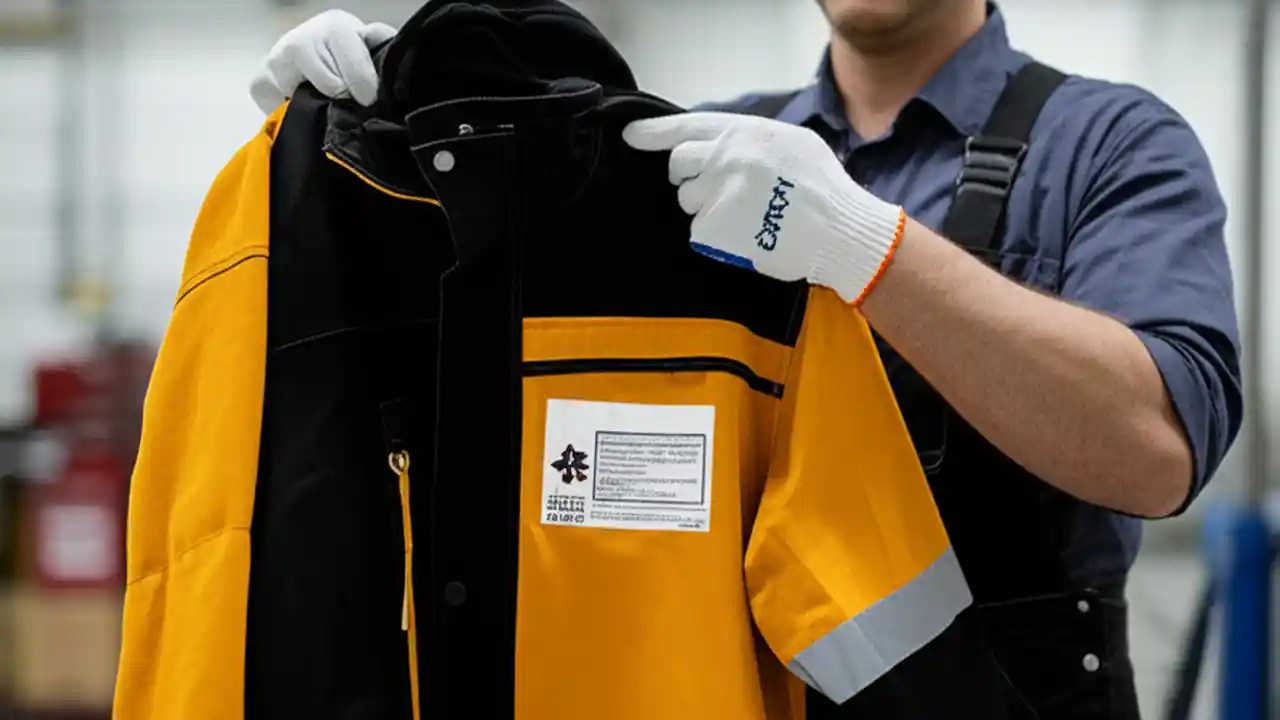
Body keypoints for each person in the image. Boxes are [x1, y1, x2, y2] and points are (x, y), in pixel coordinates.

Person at [249, 2, 1242, 718]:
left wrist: (868, 249)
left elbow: (1153, 453)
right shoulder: (683, 146)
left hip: (1012, 688)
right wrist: (349, 148)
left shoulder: (1108, 143)